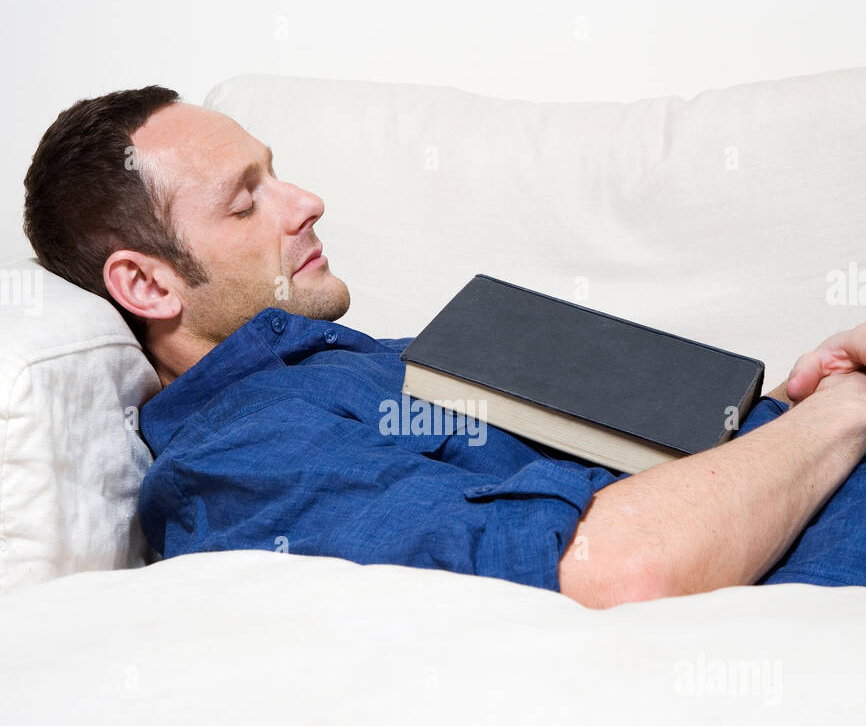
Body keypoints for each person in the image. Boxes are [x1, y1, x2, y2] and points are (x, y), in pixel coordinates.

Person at [23, 86, 866, 607]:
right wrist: (838, 422)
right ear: (147, 286)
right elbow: (617, 570)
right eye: (246, 203)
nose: (306, 202)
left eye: (276, 171)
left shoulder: (369, 357)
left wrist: (794, 408)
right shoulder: (244, 461)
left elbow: (653, 470)